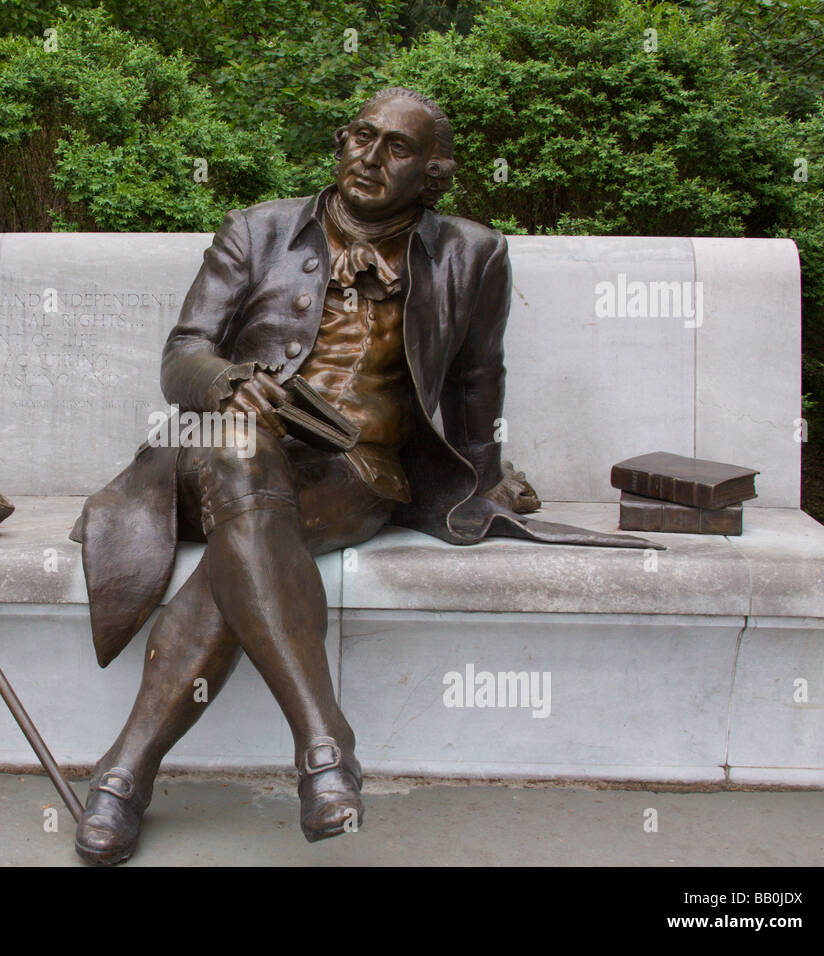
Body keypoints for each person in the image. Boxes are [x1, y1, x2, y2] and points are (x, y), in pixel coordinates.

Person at [68, 87, 649, 865]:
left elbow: (479, 378)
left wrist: (484, 474)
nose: (367, 158)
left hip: (356, 473)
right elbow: (182, 353)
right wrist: (223, 382)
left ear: (434, 174)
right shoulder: (257, 229)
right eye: (358, 137)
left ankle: (123, 775)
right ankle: (323, 740)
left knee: (242, 558)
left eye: (396, 148)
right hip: (219, 446)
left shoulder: (476, 254)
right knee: (241, 450)